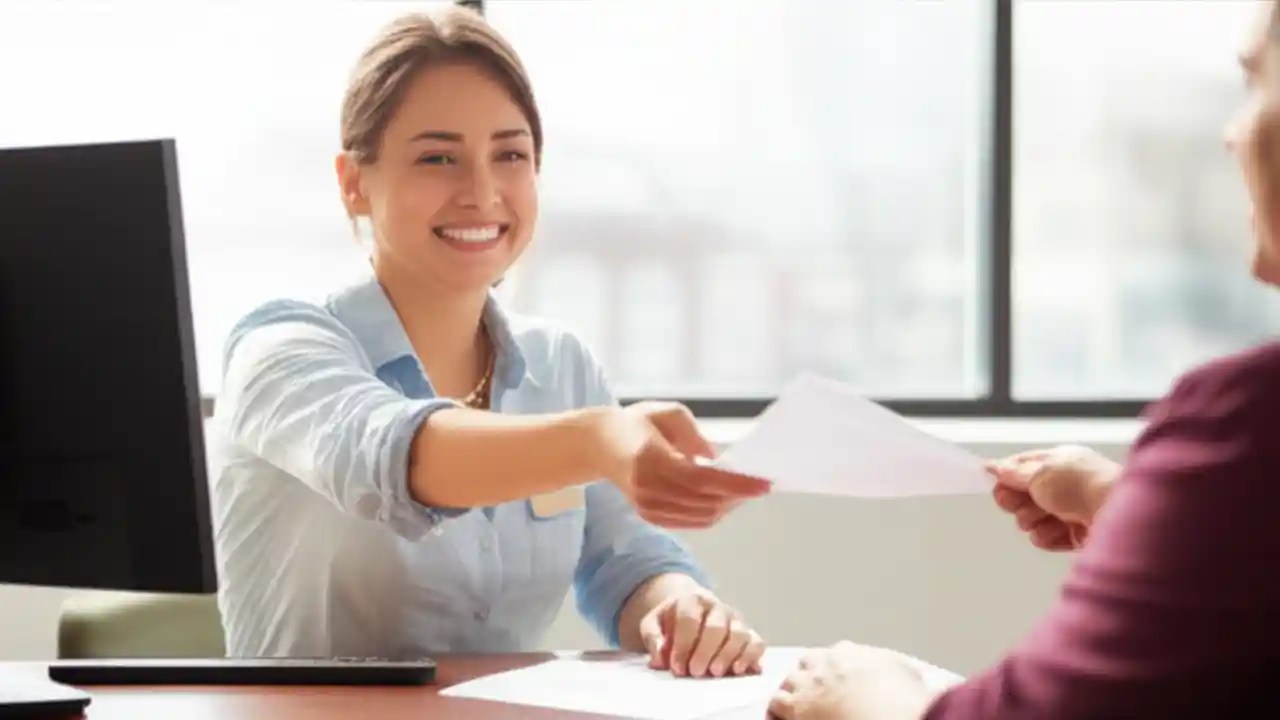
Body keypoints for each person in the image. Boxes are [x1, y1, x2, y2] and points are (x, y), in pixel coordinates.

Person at [211, 7, 770, 679]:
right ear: (354, 183)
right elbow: (390, 457)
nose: (481, 193)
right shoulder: (280, 351)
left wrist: (680, 609)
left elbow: (627, 562)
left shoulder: (560, 366)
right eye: (437, 158)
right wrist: (597, 439)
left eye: (510, 155)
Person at [770, 2, 1280, 717]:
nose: (1231, 133)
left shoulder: (1250, 426)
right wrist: (1133, 504)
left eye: (1257, 84)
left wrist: (865, 697)